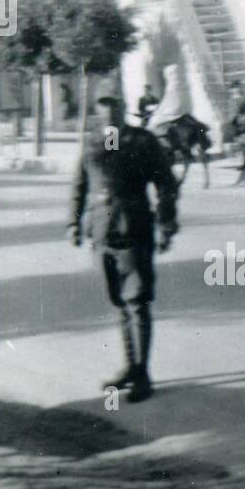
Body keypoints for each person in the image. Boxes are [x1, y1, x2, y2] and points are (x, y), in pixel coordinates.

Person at [67, 72, 179, 404]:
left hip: (134, 228)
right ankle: (131, 365)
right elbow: (80, 184)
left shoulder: (144, 142)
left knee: (137, 302)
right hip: (102, 231)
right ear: (96, 108)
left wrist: (166, 224)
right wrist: (73, 223)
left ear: (124, 107)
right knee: (120, 302)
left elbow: (167, 185)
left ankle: (143, 373)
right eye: (103, 104)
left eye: (115, 104)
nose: (109, 111)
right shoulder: (91, 142)